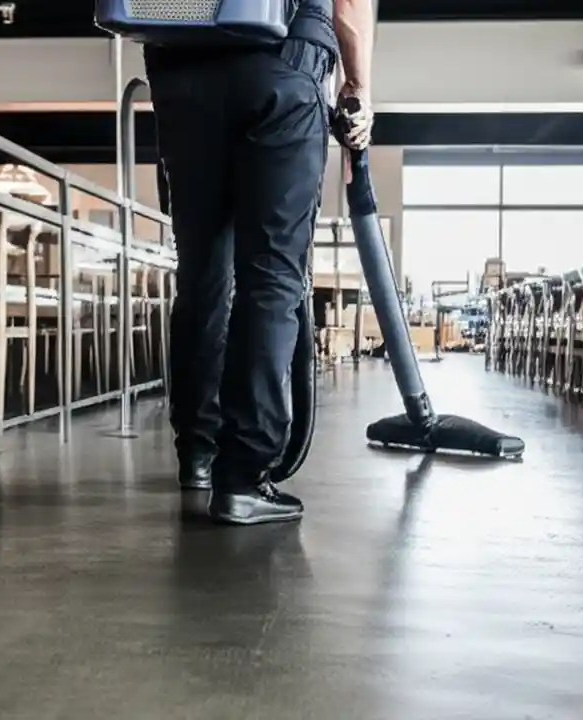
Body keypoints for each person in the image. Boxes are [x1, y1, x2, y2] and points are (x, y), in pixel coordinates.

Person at [146, 0, 375, 525]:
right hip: (281, 62)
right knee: (270, 278)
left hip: (180, 72)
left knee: (201, 273)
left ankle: (198, 454)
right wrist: (357, 85)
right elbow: (349, 5)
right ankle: (242, 477)